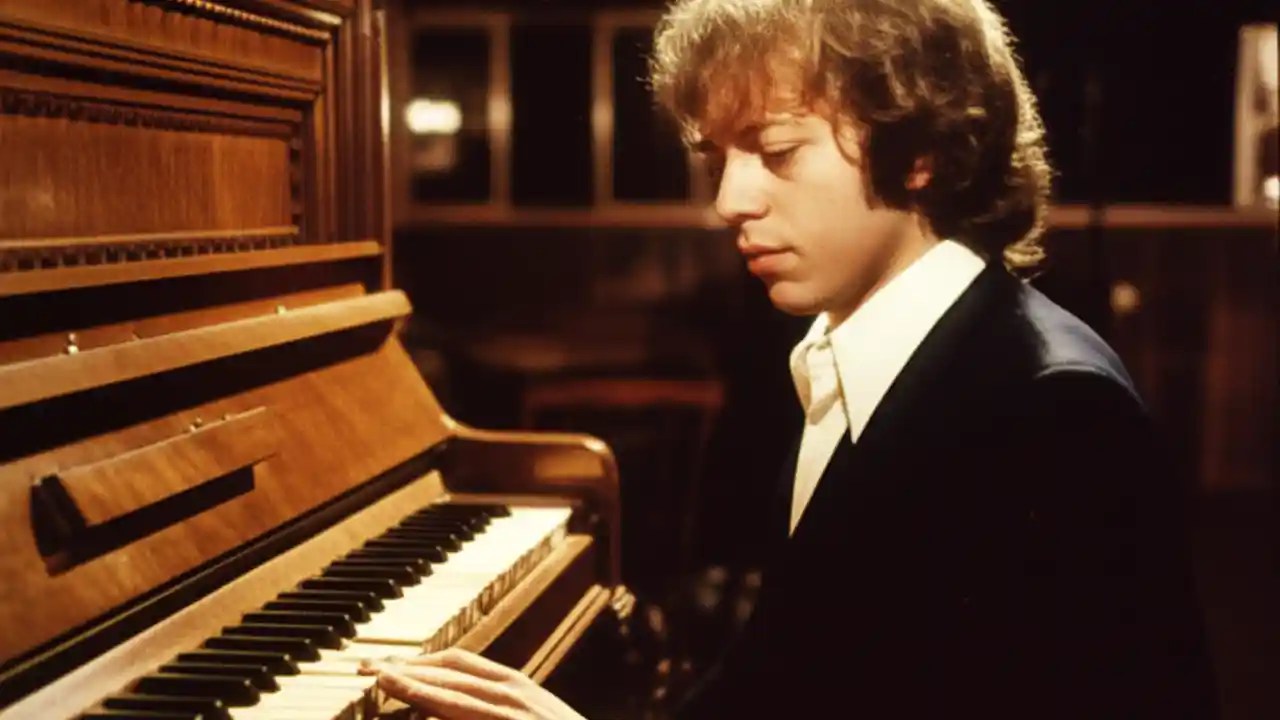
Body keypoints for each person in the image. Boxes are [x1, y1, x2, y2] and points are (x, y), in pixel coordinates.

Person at [359, 0, 1218, 717]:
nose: (729, 201)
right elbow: (799, 682)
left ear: (920, 152)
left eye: (776, 152)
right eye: (716, 158)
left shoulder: (1049, 410)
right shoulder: (856, 355)